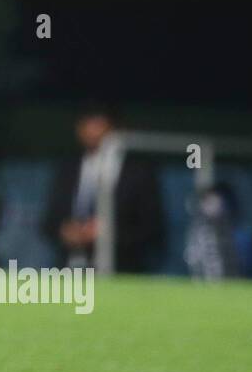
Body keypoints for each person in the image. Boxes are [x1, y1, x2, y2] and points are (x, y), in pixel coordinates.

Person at [39, 106, 164, 274]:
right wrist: (67, 231)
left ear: (116, 128)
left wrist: (108, 233)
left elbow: (153, 229)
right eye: (87, 123)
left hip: (123, 271)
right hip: (70, 270)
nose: (92, 130)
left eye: (98, 123)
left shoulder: (139, 172)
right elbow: (49, 222)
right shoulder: (67, 168)